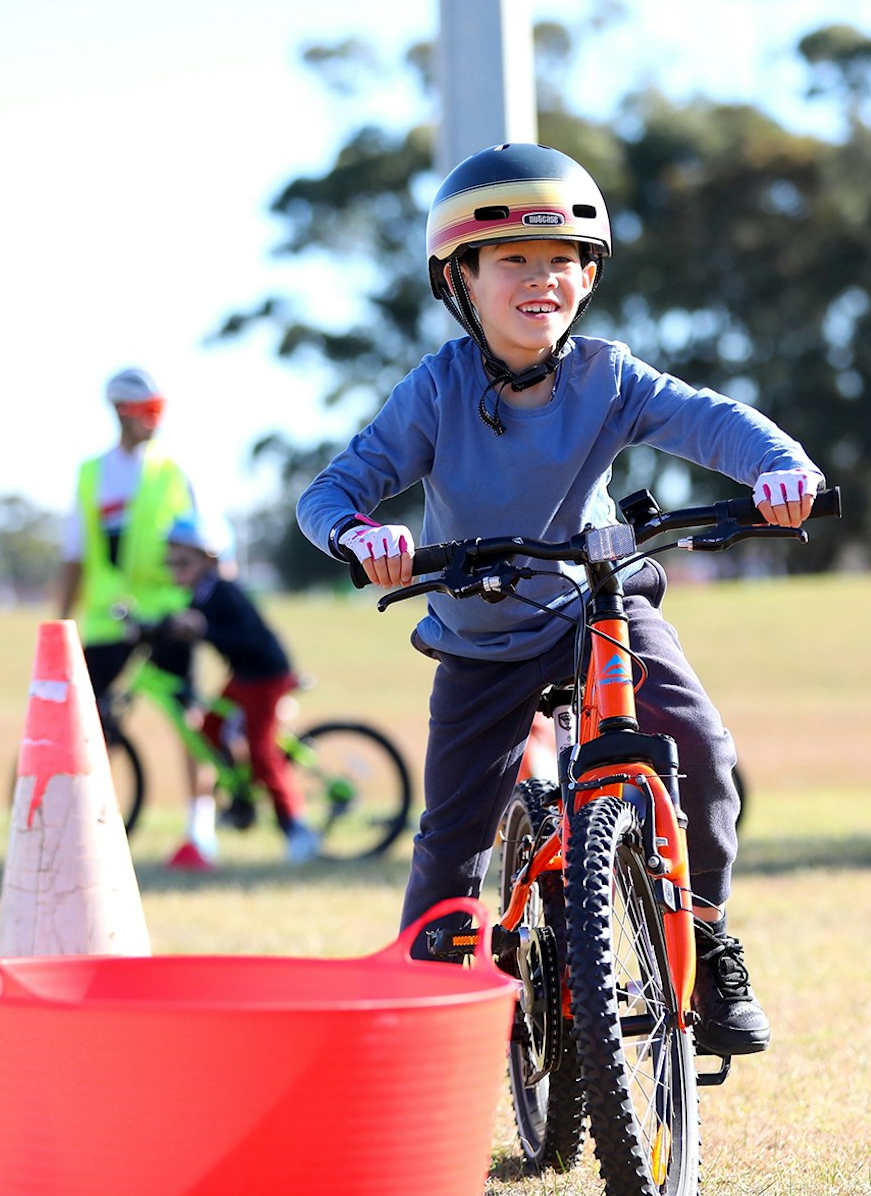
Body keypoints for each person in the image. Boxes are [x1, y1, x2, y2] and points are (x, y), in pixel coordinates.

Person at [296, 142, 825, 1057]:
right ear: (460, 279)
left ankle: (705, 940)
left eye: (563, 261)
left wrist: (782, 467)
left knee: (700, 750)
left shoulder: (609, 377)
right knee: (454, 837)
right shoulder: (436, 391)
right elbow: (333, 492)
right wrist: (361, 535)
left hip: (598, 610)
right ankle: (421, 1027)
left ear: (589, 276)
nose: (542, 280)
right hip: (480, 636)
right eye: (513, 261)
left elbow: (711, 421)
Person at [58, 366, 210, 869]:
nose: (155, 421)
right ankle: (79, 825)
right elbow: (76, 557)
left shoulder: (172, 472)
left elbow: (205, 543)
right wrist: (60, 625)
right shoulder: (90, 475)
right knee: (85, 724)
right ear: (121, 412)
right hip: (106, 619)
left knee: (188, 720)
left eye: (159, 410)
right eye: (148, 411)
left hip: (166, 613)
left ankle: (199, 832)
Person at [157, 513, 320, 864]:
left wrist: (203, 630)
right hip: (243, 676)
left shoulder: (225, 592)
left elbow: (244, 638)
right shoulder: (199, 594)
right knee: (209, 729)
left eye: (183, 561)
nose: (175, 569)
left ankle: (296, 827)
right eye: (170, 561)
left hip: (265, 674)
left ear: (208, 559)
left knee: (262, 750)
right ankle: (241, 800)